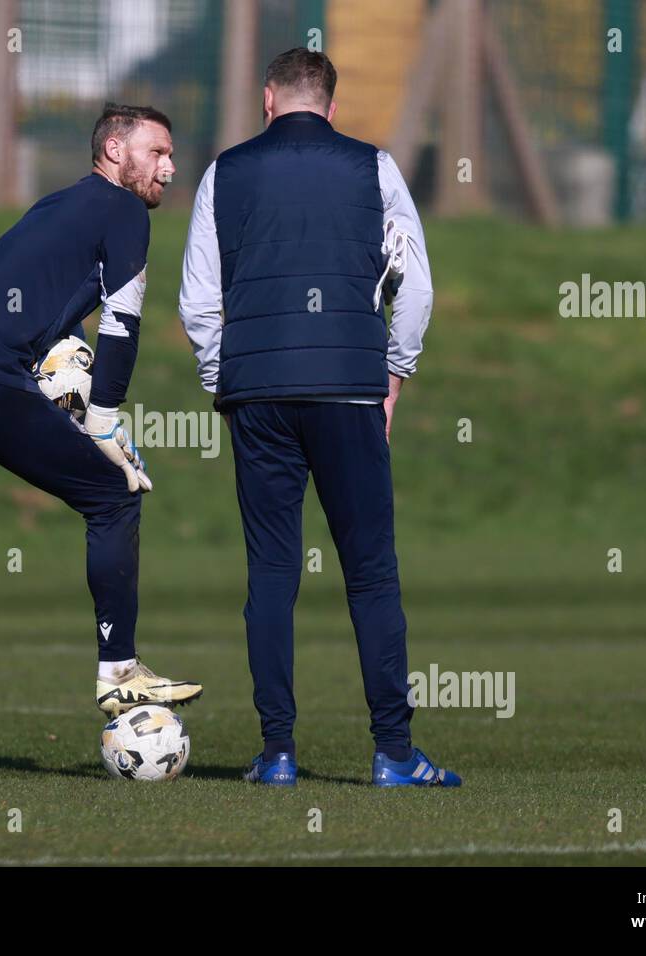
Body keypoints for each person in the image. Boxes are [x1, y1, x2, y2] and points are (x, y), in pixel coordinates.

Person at [0, 105, 202, 780]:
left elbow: (47, 326)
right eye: (157, 150)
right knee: (113, 497)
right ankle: (119, 672)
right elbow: (122, 325)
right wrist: (105, 417)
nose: (170, 166)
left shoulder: (56, 209)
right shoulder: (123, 213)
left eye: (172, 154)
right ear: (115, 149)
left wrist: (78, 393)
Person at [178, 49, 459, 788]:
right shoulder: (375, 167)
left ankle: (276, 754)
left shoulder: (222, 173)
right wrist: (395, 373)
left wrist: (224, 382)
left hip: (258, 395)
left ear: (267, 98)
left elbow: (199, 303)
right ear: (331, 106)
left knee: (271, 573)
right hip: (349, 392)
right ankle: (394, 754)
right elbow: (417, 286)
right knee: (370, 573)